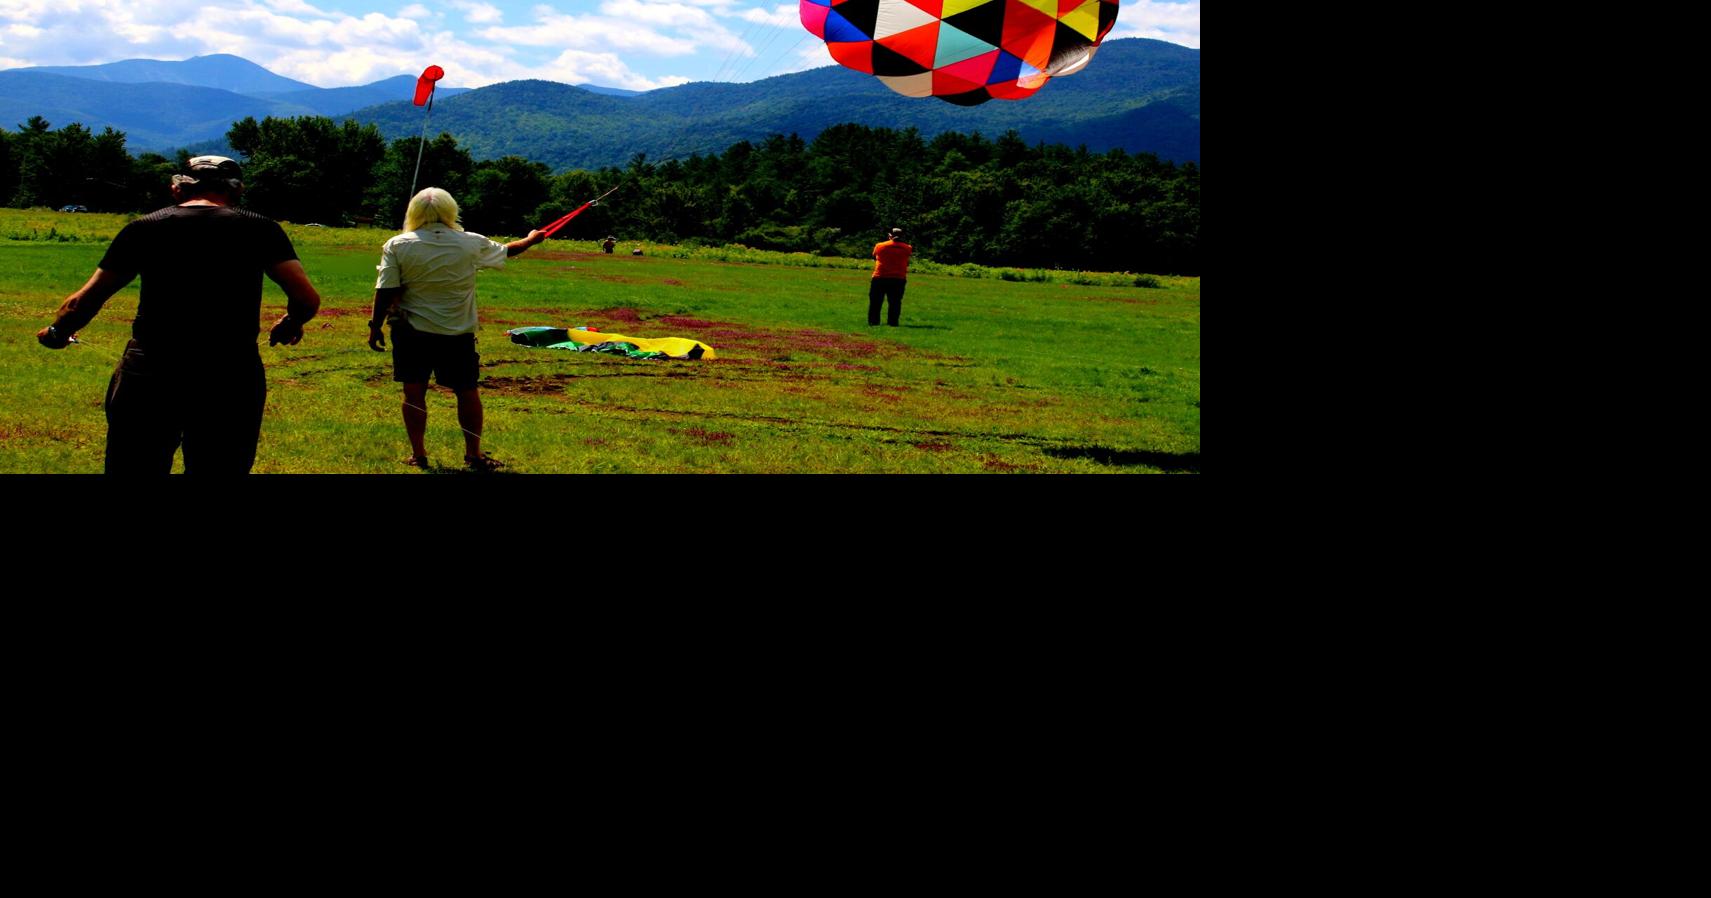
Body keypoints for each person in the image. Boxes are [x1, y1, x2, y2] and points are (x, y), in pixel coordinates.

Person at [35, 155, 321, 474]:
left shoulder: (145, 228)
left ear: (177, 187)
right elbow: (306, 299)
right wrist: (291, 322)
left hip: (150, 371)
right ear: (237, 189)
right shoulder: (261, 229)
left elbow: (84, 301)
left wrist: (58, 333)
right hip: (230, 374)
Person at [368, 187, 545, 472]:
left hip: (411, 331)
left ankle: (418, 455)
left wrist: (375, 326)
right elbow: (508, 251)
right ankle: (473, 454)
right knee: (466, 391)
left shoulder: (397, 245)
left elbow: (385, 289)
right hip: (457, 333)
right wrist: (531, 239)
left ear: (413, 212)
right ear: (451, 211)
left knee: (413, 393)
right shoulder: (471, 242)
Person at [869, 227, 912, 327]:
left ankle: (874, 322)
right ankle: (893, 322)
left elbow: (874, 257)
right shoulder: (908, 248)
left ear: (890, 235)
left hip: (880, 276)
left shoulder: (880, 246)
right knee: (895, 302)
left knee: (876, 301)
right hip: (898, 278)